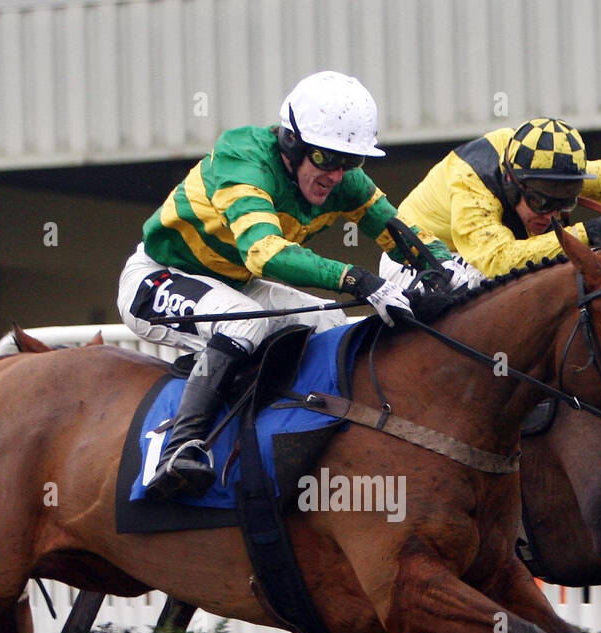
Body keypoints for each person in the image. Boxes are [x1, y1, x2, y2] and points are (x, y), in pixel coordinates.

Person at [117, 70, 468, 501]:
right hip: (157, 279)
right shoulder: (243, 161)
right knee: (243, 326)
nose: (337, 174)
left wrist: (450, 267)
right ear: (291, 144)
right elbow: (263, 252)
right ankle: (180, 448)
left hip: (235, 284)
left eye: (350, 162)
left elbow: (400, 233)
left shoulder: (342, 179)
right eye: (326, 159)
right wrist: (356, 279)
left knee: (331, 322)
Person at [387, 117, 601, 281]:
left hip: (476, 257)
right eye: (541, 203)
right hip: (413, 262)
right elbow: (498, 261)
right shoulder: (470, 182)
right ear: (513, 184)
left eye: (564, 203)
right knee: (499, 283)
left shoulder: (551, 166)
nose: (550, 215)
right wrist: (588, 232)